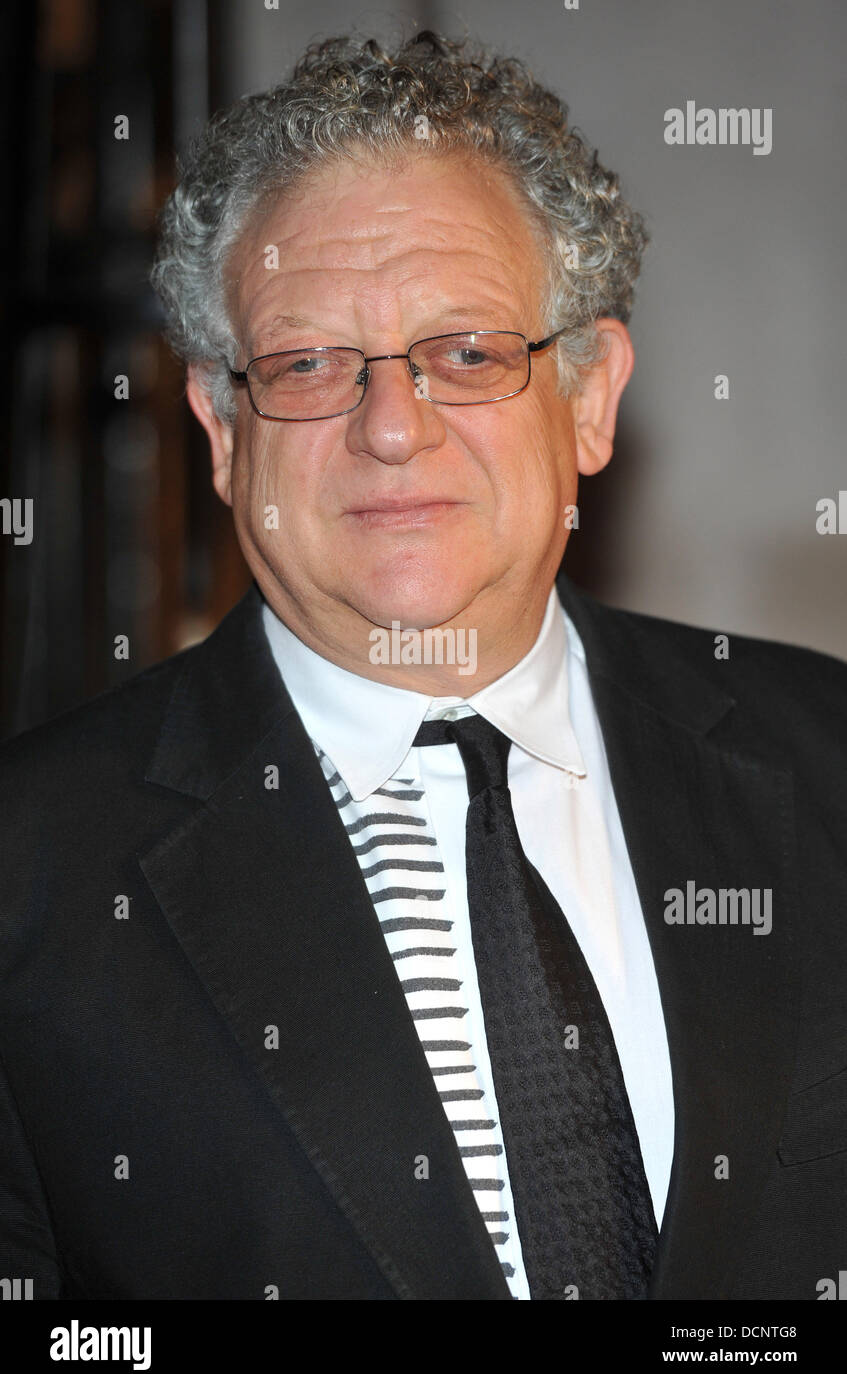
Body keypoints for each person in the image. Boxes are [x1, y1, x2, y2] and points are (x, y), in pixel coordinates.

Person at [1, 31, 845, 1302]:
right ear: (221, 432)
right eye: (306, 364)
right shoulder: (31, 876)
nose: (391, 427)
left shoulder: (826, 761)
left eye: (466, 352)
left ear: (589, 397)